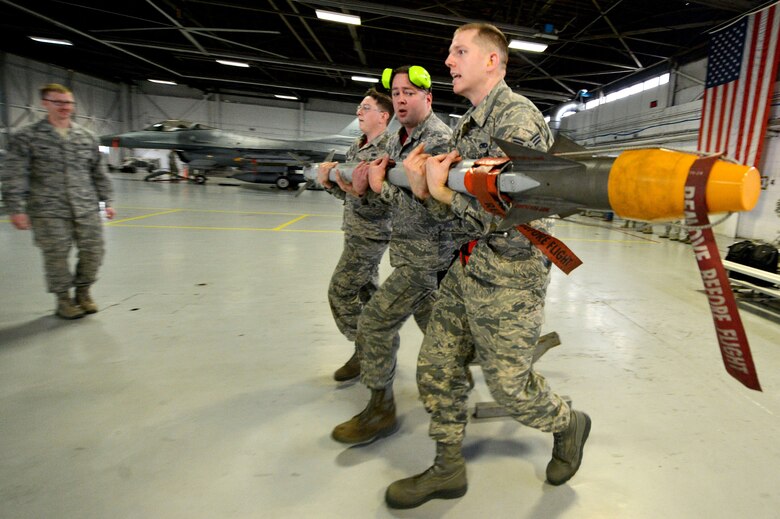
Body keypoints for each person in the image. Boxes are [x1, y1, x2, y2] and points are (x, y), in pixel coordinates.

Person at [385, 24, 591, 509]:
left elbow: (504, 212)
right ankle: (447, 468)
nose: (449, 60)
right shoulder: (469, 123)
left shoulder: (517, 120)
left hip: (511, 275)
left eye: (459, 51)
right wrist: (425, 188)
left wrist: (437, 191)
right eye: (450, 51)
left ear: (492, 62)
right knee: (436, 363)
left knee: (511, 387)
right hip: (471, 262)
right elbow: (458, 209)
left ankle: (568, 422)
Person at [328, 66, 456, 445]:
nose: (400, 98)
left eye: (409, 92)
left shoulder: (436, 139)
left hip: (425, 257)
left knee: (374, 324)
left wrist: (381, 187)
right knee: (438, 327)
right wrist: (361, 186)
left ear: (428, 98)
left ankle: (381, 411)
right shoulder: (403, 139)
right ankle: (464, 365)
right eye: (396, 92)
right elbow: (393, 199)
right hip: (408, 251)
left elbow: (434, 208)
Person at [2, 83, 115, 319]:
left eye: (68, 103)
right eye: (58, 102)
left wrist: (108, 200)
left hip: (85, 207)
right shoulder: (26, 136)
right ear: (45, 103)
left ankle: (83, 292)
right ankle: (63, 299)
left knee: (94, 252)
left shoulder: (86, 137)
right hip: (47, 210)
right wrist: (16, 208)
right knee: (56, 256)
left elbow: (98, 172)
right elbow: (14, 174)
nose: (64, 107)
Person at [317, 88, 394, 382]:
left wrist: (359, 192)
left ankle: (369, 348)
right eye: (359, 107)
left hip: (372, 234)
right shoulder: (356, 147)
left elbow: (388, 198)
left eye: (365, 108)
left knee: (340, 291)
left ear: (383, 116)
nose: (358, 112)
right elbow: (350, 195)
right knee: (367, 294)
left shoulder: (388, 152)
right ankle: (370, 349)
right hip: (354, 228)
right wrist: (329, 183)